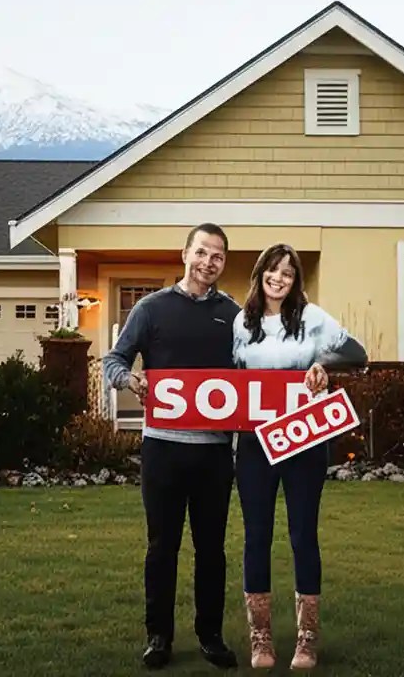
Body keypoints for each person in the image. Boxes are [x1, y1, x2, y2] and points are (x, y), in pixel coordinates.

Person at [102, 223, 242, 670]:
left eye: (217, 256)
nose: (208, 262)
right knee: (162, 546)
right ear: (185, 254)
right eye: (201, 252)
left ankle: (211, 635)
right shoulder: (151, 308)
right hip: (163, 448)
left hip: (215, 452)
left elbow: (256, 365)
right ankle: (158, 636)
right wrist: (130, 380)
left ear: (223, 263)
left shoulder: (234, 314)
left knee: (211, 548)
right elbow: (114, 359)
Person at [231, 243, 368, 670]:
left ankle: (307, 639)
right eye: (272, 270)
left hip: (302, 438)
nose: (279, 278)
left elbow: (357, 356)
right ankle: (261, 638)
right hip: (254, 442)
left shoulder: (312, 318)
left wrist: (324, 366)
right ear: (260, 273)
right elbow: (230, 376)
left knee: (302, 534)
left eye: (288, 273)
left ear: (295, 281)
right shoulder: (241, 322)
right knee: (257, 534)